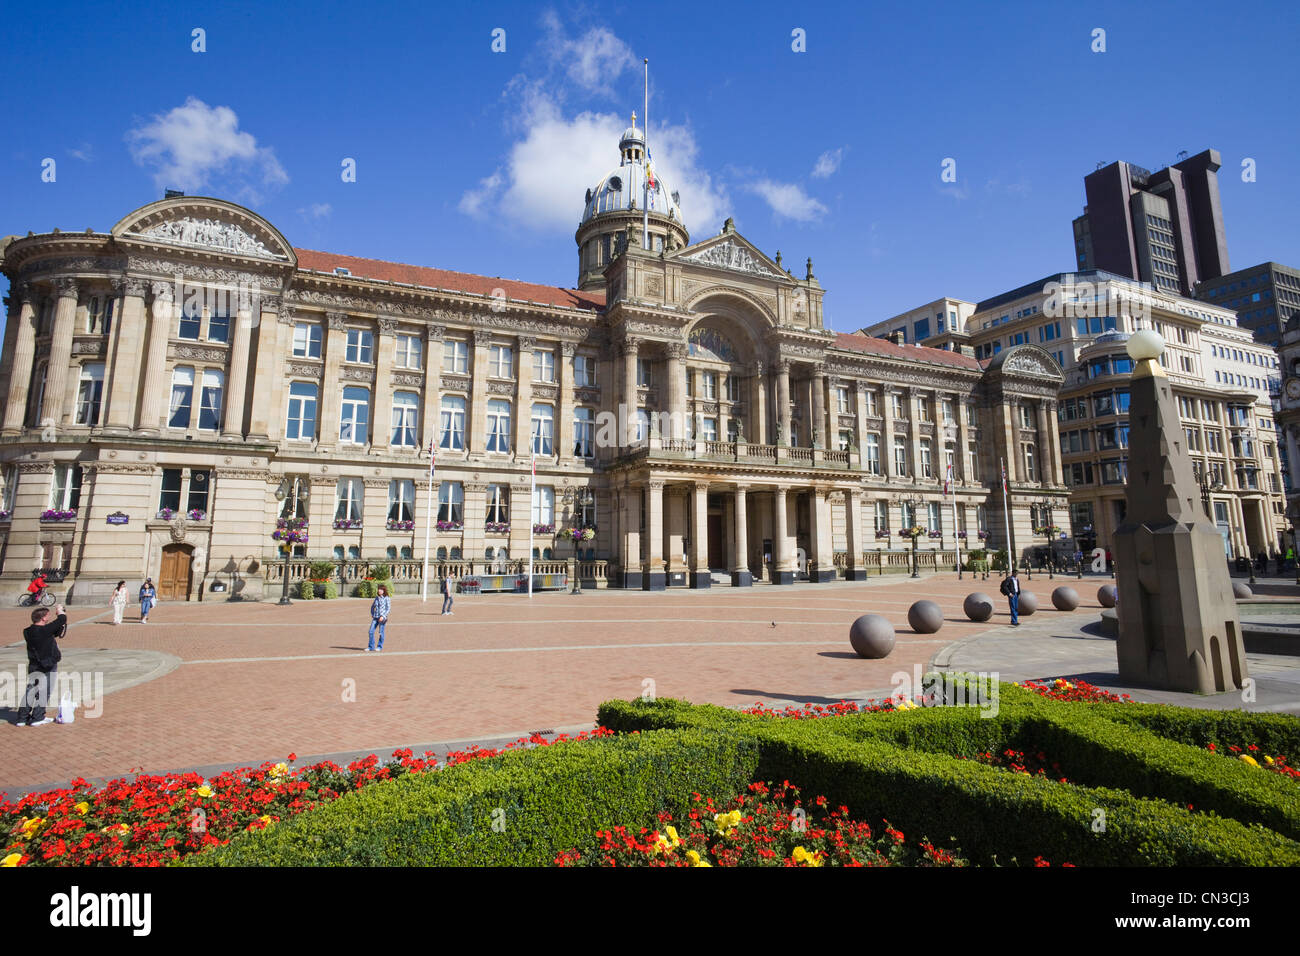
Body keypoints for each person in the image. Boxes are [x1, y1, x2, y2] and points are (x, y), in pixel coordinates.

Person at [16, 604, 68, 726]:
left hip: (34, 665)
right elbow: (62, 619)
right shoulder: (44, 630)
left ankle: (22, 718)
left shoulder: (28, 631)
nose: (49, 617)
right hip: (47, 664)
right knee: (45, 691)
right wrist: (60, 611)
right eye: (47, 616)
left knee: (31, 691)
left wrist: (59, 626)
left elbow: (51, 633)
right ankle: (37, 717)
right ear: (43, 618)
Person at [367, 584, 390, 652]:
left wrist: (383, 616)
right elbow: (372, 606)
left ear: (384, 590)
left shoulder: (387, 598)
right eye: (379, 589)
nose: (379, 590)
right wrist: (372, 614)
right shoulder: (377, 598)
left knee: (381, 632)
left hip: (382, 618)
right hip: (375, 617)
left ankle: (379, 646)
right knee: (370, 631)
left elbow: (388, 608)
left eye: (381, 589)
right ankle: (371, 646)